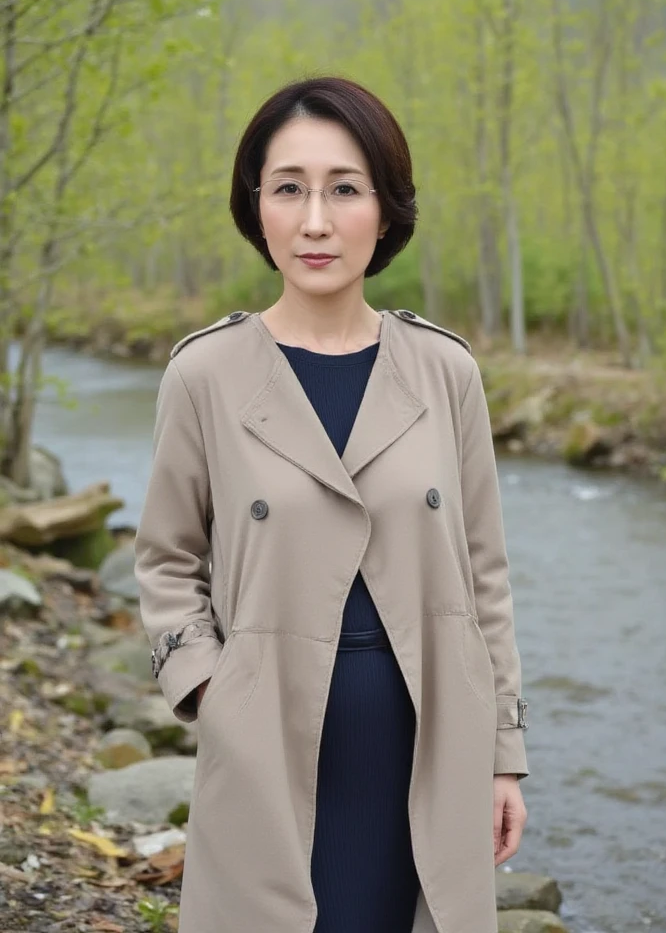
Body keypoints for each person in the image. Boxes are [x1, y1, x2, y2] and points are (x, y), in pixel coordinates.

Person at [134, 75, 529, 933]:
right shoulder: (204, 374)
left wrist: (504, 756)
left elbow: (485, 577)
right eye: (289, 189)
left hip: (429, 744)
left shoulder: (445, 372)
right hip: (265, 743)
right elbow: (166, 561)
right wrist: (210, 691)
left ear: (385, 212)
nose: (315, 221)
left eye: (344, 189)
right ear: (258, 209)